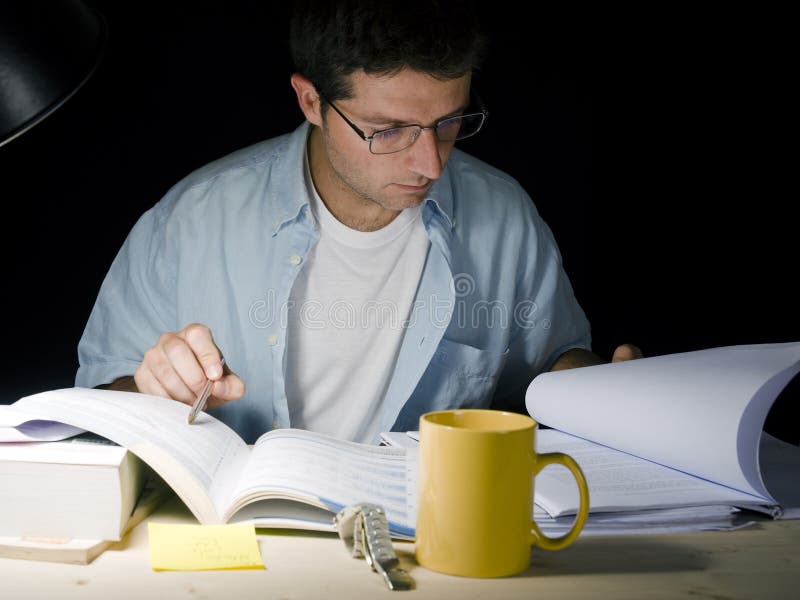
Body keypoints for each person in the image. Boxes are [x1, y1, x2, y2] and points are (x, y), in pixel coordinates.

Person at [76, 0, 640, 444]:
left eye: (448, 122)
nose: (431, 163)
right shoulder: (189, 220)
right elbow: (97, 408)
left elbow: (553, 363)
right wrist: (153, 392)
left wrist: (600, 391)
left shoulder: (505, 215)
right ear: (310, 102)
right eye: (388, 129)